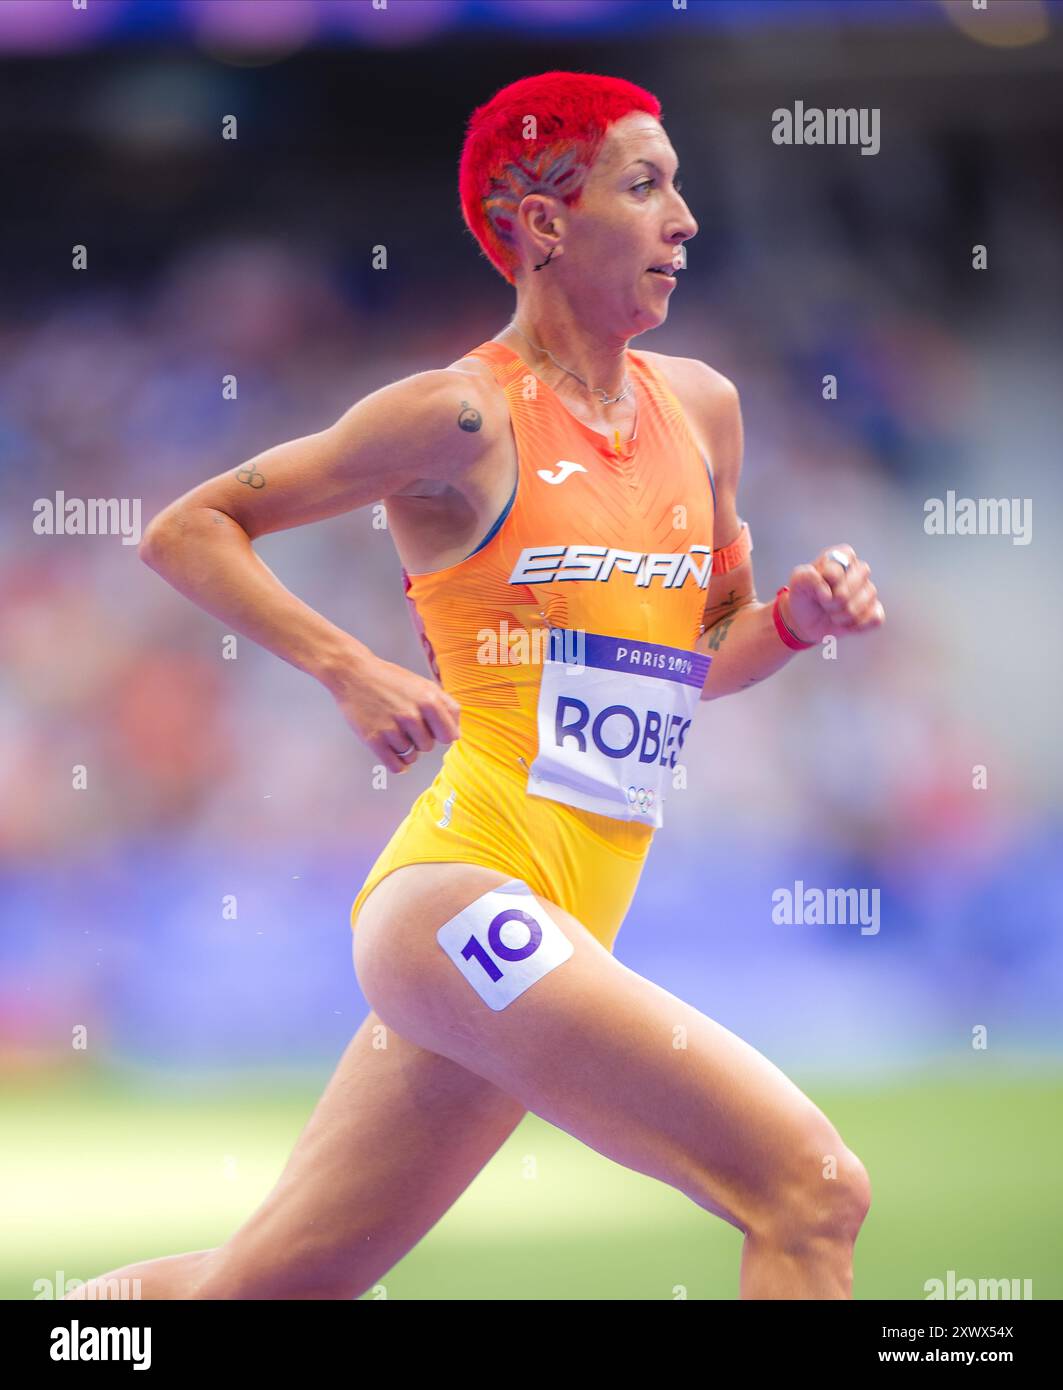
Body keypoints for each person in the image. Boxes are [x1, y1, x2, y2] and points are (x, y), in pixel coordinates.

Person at [66, 70, 884, 1303]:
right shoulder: (457, 417)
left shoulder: (703, 411)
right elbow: (187, 530)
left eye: (679, 187)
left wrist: (795, 622)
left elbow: (700, 658)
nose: (685, 221)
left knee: (263, 1290)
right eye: (644, 185)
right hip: (463, 901)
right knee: (809, 1187)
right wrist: (346, 665)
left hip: (565, 921)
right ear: (542, 221)